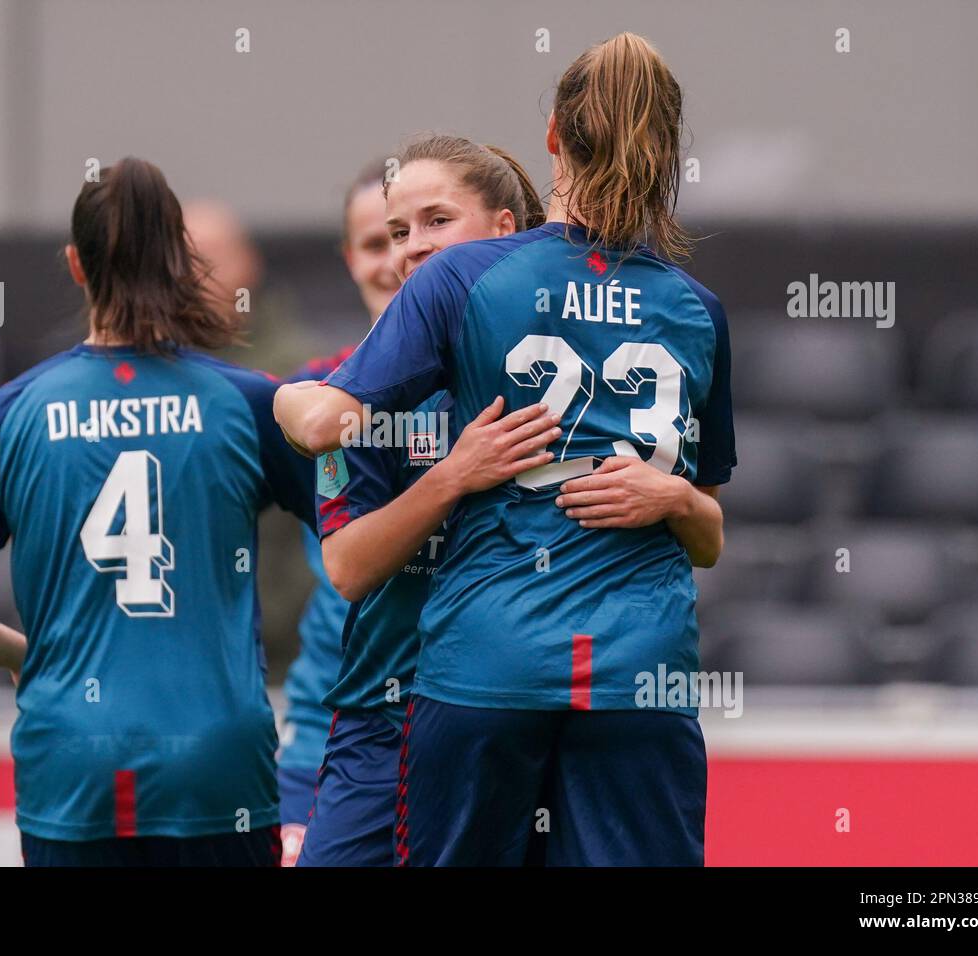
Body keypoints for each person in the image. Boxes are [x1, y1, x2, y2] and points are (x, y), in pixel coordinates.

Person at [275, 34, 734, 866]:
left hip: (486, 659)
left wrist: (280, 392)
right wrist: (678, 499)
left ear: (553, 137)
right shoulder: (696, 307)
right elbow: (711, 535)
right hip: (641, 667)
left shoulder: (467, 282)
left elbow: (319, 427)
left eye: (432, 224)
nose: (412, 249)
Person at [0, 157, 314, 867]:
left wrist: (25, 655)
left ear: (75, 265)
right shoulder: (250, 404)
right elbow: (357, 546)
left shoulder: (10, 414)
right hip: (216, 768)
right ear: (181, 264)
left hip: (73, 769)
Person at [296, 136, 559, 867]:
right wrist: (452, 477)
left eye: (436, 222)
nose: (409, 251)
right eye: (395, 233)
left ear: (506, 229)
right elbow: (346, 569)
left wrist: (684, 502)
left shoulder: (564, 368)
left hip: (523, 716)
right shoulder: (360, 387)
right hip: (386, 718)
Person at [274, 158, 401, 866]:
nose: (392, 261)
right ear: (349, 258)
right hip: (327, 734)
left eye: (405, 237)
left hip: (467, 730)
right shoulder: (308, 396)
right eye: (373, 243)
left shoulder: (497, 392)